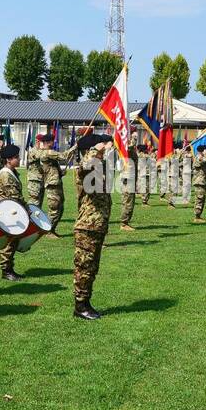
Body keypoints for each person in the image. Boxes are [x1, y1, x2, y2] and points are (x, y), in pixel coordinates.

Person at [73, 132, 112, 318]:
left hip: (96, 226)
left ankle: (85, 303)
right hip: (87, 227)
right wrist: (95, 151)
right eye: (99, 149)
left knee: (91, 268)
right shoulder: (85, 168)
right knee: (84, 268)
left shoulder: (96, 169)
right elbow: (86, 165)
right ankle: (80, 306)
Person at [0, 144, 25, 281]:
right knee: (9, 242)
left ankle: (9, 268)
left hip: (13, 210)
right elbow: (14, 196)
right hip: (8, 212)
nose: (18, 159)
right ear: (8, 160)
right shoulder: (6, 175)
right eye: (16, 157)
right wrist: (27, 209)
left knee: (13, 242)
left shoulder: (12, 172)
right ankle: (6, 270)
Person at [119, 144, 138, 231]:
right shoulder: (127, 153)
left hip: (130, 178)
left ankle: (125, 222)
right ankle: (124, 223)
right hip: (127, 179)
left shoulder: (130, 153)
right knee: (128, 201)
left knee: (128, 201)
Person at [25, 133, 46, 208]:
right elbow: (37, 157)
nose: (44, 144)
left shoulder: (43, 151)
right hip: (34, 180)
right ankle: (31, 218)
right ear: (37, 141)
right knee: (34, 201)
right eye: (43, 142)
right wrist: (42, 149)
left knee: (40, 201)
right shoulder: (33, 151)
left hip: (41, 179)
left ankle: (36, 218)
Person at [191, 144, 206, 222]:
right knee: (199, 198)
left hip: (201, 181)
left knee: (201, 198)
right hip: (199, 181)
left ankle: (198, 216)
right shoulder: (199, 157)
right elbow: (203, 162)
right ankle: (197, 217)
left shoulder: (199, 156)